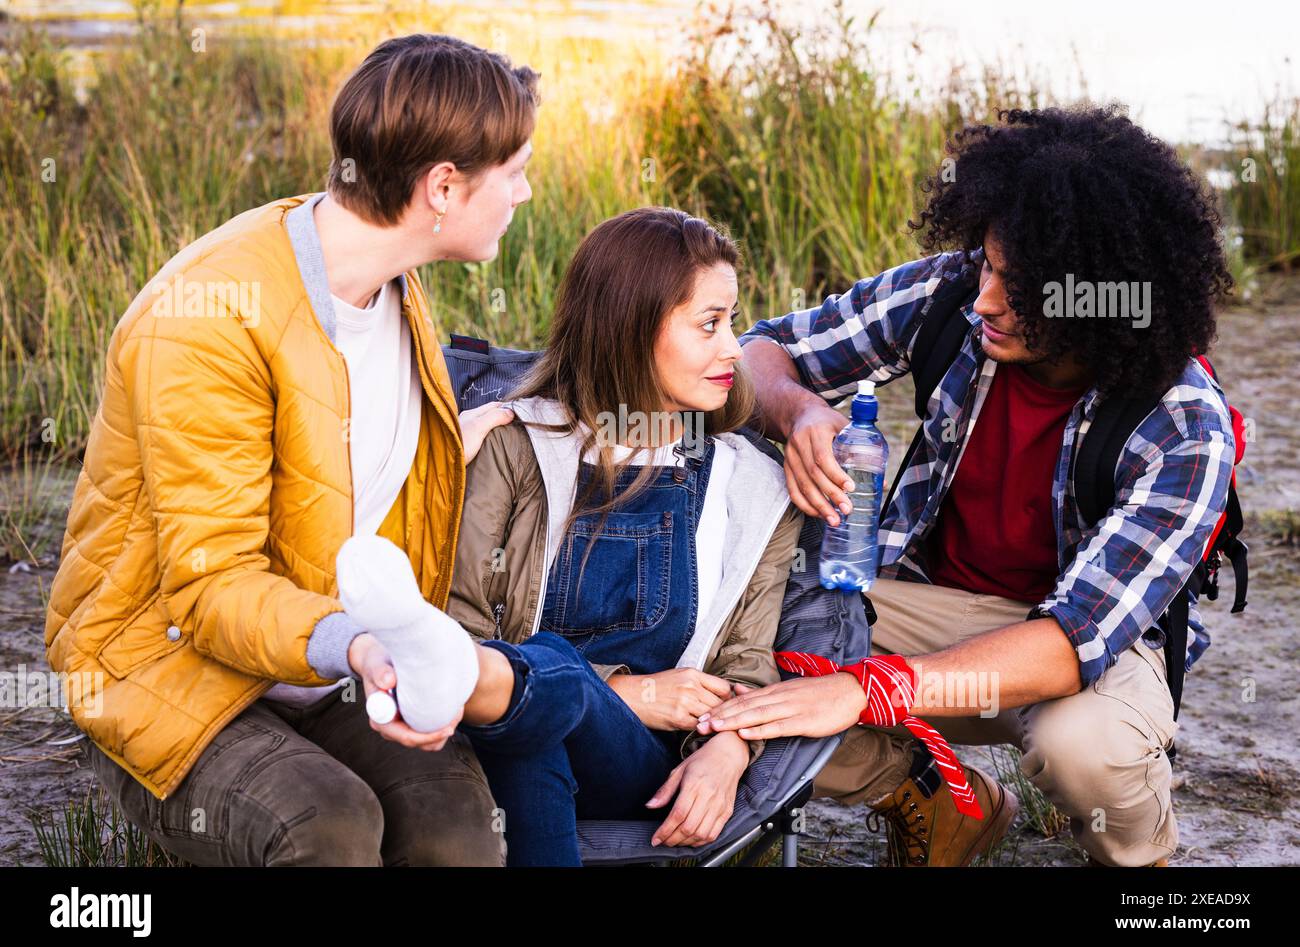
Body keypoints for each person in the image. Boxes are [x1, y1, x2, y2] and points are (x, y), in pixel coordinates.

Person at [698, 105, 1236, 868]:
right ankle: (938, 800)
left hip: (1087, 648)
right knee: (731, 649)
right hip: (927, 604)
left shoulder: (1185, 425)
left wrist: (865, 688)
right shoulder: (952, 298)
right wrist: (799, 408)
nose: (985, 298)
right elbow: (761, 350)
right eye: (986, 264)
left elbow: (1071, 640)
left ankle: (1139, 861)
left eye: (1020, 288)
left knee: (1087, 748)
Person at [44, 33, 535, 866]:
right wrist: (360, 645)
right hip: (164, 668)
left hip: (323, 660)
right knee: (329, 825)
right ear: (443, 186)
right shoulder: (210, 318)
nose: (525, 191)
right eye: (516, 170)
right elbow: (210, 589)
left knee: (461, 834)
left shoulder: (394, 282)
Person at [417, 206, 804, 866]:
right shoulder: (518, 446)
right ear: (631, 326)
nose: (735, 347)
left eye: (732, 321)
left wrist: (730, 749)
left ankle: (560, 683)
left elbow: (747, 663)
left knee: (542, 681)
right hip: (493, 739)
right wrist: (626, 687)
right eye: (710, 323)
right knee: (543, 694)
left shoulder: (756, 488)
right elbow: (458, 628)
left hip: (641, 766)